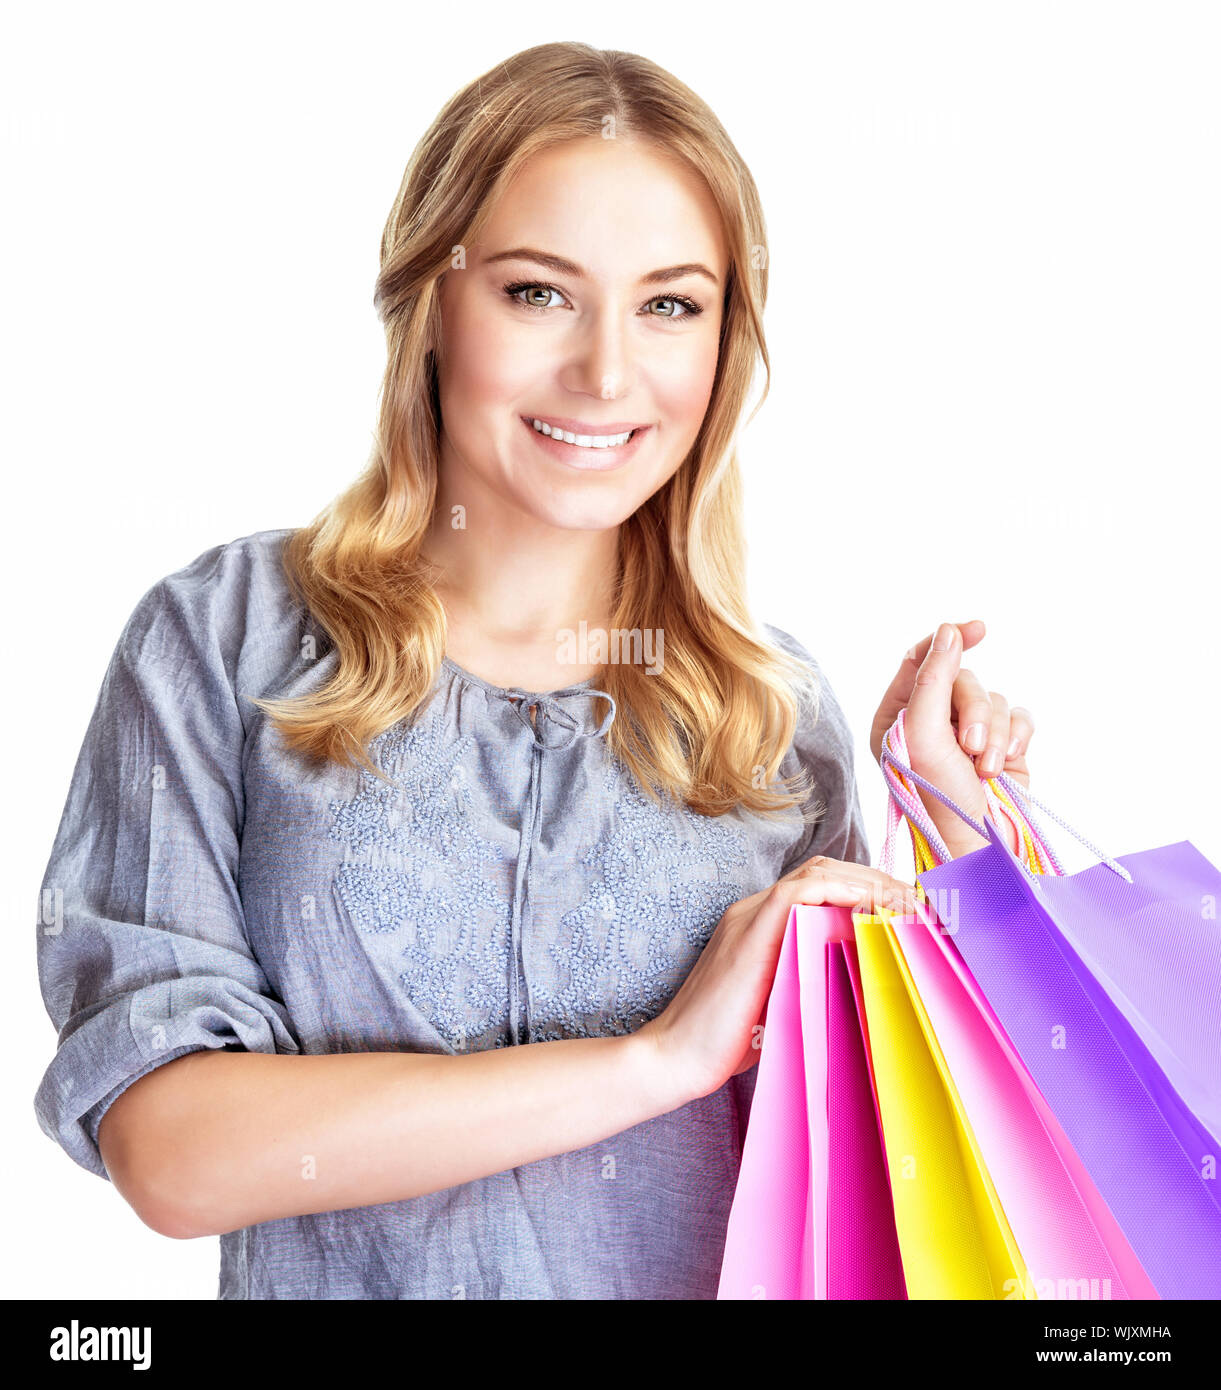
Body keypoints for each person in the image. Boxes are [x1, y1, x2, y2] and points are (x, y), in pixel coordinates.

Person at [33, 41, 1033, 1300]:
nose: (606, 374)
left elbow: (887, 1189)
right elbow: (170, 1153)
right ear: (430, 300)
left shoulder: (777, 725)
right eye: (538, 292)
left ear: (726, 345)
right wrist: (653, 1063)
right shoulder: (223, 641)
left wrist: (959, 836)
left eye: (671, 304)